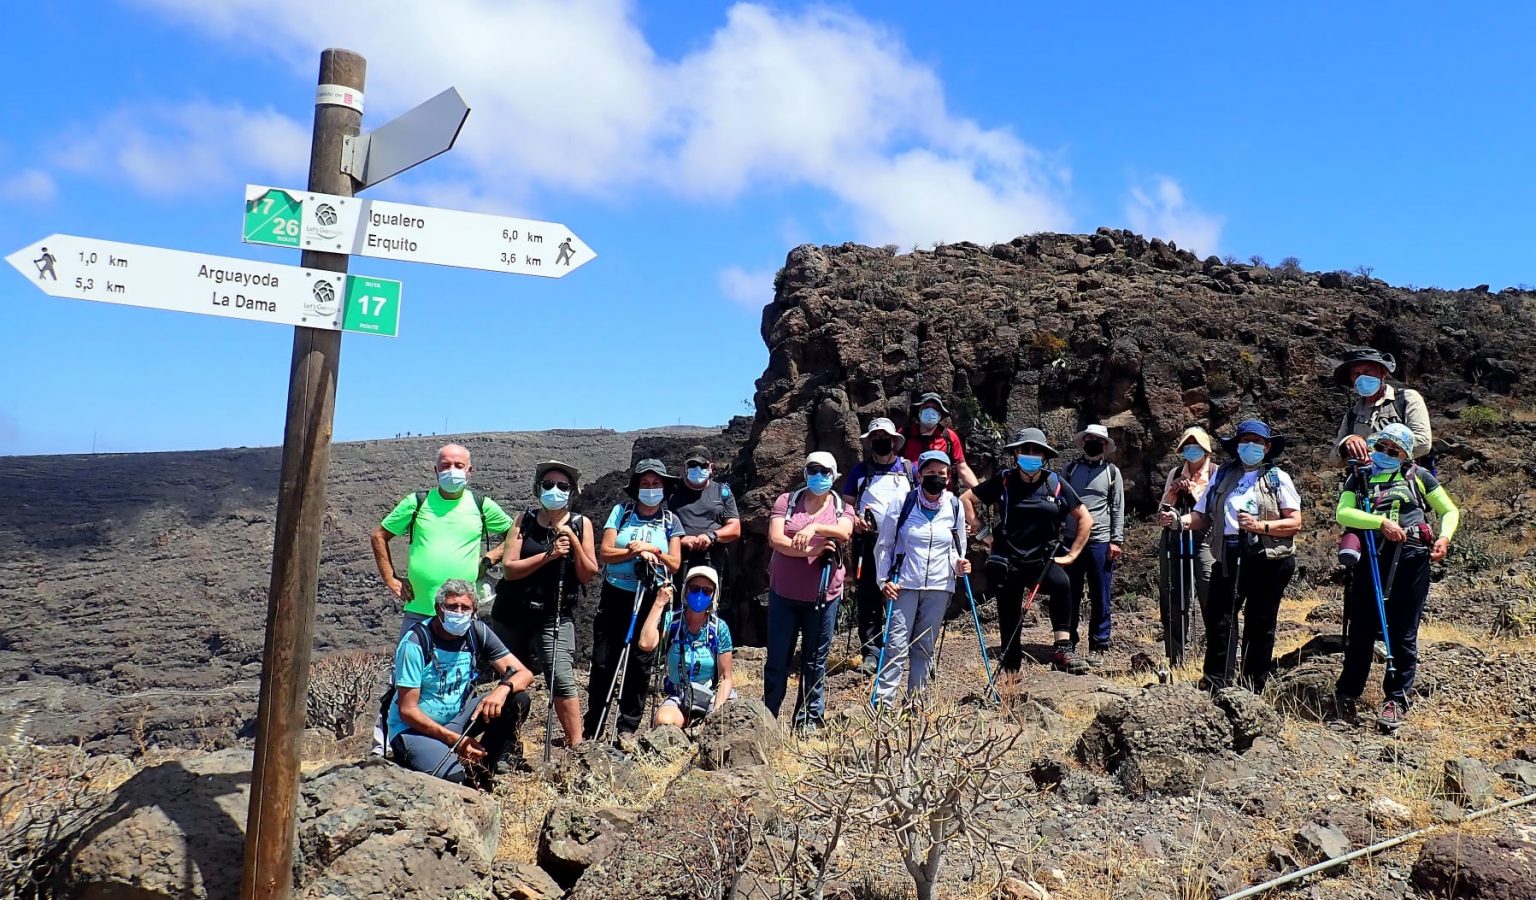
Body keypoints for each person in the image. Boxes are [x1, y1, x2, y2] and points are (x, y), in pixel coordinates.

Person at [1333, 424, 1459, 731]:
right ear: (1374, 446)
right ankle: (1347, 693)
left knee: (1403, 632)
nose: (1387, 455)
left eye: (1395, 451)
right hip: (1372, 557)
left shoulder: (1419, 476)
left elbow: (1449, 510)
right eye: (1383, 448)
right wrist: (1379, 523)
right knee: (1361, 629)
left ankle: (1396, 700)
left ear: (1405, 456)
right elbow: (1343, 513)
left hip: (1412, 557)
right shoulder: (1359, 477)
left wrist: (1444, 538)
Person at [1176, 419, 1303, 692]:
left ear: (1267, 447)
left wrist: (1261, 527)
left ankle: (1252, 686)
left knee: (1260, 621)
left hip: (1269, 558)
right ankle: (1215, 681)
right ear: (1237, 445)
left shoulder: (1277, 478)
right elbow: (1202, 515)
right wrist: (1179, 521)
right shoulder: (1223, 475)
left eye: (1257, 442)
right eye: (1245, 441)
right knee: (1220, 618)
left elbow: (1294, 523)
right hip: (1228, 553)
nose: (1250, 446)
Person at [961, 428, 1094, 674]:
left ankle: (1063, 648)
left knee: (1062, 585)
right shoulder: (1004, 480)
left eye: (1036, 451)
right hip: (1008, 559)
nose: (1030, 455)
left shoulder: (1054, 482)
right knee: (1009, 612)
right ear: (1016, 454)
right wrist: (984, 535)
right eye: (1025, 450)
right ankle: (1011, 671)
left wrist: (1073, 554)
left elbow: (1085, 518)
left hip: (1042, 559)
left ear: (1045, 456)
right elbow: (966, 499)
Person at [487, 461, 598, 750]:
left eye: (562, 486)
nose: (554, 490)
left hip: (555, 615)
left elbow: (588, 572)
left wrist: (571, 538)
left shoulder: (581, 524)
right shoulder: (522, 520)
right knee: (511, 680)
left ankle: (577, 747)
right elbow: (510, 568)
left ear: (572, 492)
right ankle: (504, 746)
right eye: (548, 484)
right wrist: (548, 556)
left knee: (561, 677)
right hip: (513, 614)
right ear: (539, 488)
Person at [386, 580, 535, 787]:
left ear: (474, 610)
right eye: (451, 606)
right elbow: (407, 711)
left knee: (516, 699)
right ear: (439, 609)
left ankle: (484, 769)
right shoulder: (416, 642)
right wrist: (455, 741)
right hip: (413, 729)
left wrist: (503, 688)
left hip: (456, 719)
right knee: (453, 779)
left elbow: (524, 673)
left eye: (464, 607)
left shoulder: (477, 632)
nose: (458, 612)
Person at [584, 459, 684, 739]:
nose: (650, 489)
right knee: (604, 661)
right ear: (636, 487)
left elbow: (675, 563)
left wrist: (653, 550)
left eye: (656, 484)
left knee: (641, 662)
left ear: (663, 487)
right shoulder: (621, 512)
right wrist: (635, 552)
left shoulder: (670, 521)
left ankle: (627, 727)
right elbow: (605, 553)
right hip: (616, 595)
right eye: (645, 484)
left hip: (652, 597)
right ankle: (594, 726)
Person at [372, 443, 512, 637]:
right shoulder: (417, 502)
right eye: (446, 466)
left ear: (469, 471)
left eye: (458, 465)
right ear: (436, 470)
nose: (452, 470)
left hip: (461, 612)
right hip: (419, 610)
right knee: (412, 664)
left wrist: (489, 559)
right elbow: (379, 535)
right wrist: (390, 578)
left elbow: (516, 534)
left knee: (459, 666)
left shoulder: (482, 506)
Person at [765, 451, 856, 731]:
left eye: (825, 471)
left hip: (823, 596)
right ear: (805, 473)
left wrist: (815, 526)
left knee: (815, 660)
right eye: (813, 470)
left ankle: (809, 719)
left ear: (834, 474)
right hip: (783, 594)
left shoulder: (841, 507)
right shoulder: (787, 501)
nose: (819, 476)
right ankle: (768, 717)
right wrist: (813, 547)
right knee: (777, 659)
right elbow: (775, 539)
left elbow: (844, 532)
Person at [872, 450, 970, 702]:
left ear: (948, 477)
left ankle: (915, 702)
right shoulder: (903, 502)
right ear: (920, 474)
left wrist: (959, 564)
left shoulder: (955, 505)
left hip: (940, 585)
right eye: (930, 472)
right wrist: (884, 580)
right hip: (903, 583)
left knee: (925, 644)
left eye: (941, 474)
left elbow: (957, 545)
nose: (936, 477)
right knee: (895, 643)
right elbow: (885, 545)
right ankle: (883, 703)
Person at [841, 417, 916, 675]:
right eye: (875, 438)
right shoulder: (860, 471)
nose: (880, 442)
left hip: (904, 543)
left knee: (904, 595)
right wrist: (856, 519)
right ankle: (872, 653)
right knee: (869, 597)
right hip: (868, 542)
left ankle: (904, 651)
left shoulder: (909, 469)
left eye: (884, 438)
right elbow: (847, 502)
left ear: (894, 441)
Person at [638, 565, 735, 727]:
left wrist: (715, 714)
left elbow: (726, 677)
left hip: (710, 695)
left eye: (707, 591)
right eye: (694, 588)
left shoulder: (719, 629)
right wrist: (658, 604)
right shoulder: (672, 621)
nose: (700, 595)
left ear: (714, 595)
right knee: (664, 722)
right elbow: (645, 643)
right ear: (686, 590)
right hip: (679, 696)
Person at [1061, 424, 1125, 666]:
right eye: (1089, 439)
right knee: (1069, 593)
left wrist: (1116, 539)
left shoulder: (1112, 472)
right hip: (1071, 539)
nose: (1093, 443)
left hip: (1100, 540)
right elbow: (1060, 502)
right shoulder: (1070, 469)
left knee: (1101, 594)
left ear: (1105, 446)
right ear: (1083, 441)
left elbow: (1118, 506)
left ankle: (1099, 644)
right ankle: (1069, 642)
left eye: (1098, 440)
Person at [1156, 426, 1218, 626]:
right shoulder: (1175, 473)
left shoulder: (1216, 472)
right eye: (1187, 445)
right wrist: (1172, 497)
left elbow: (1214, 510)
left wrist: (1193, 492)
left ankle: (1217, 646)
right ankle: (1176, 652)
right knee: (1173, 592)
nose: (1192, 449)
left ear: (1205, 448)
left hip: (1205, 539)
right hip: (1175, 538)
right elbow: (1162, 508)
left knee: (1210, 590)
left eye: (1196, 445)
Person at [1329, 348, 1433, 467]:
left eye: (1367, 371)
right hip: (1364, 483)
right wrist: (1346, 444)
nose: (1361, 378)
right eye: (1356, 373)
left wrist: (1374, 452)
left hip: (1402, 480)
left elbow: (1423, 442)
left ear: (1383, 373)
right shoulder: (1352, 413)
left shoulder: (1406, 399)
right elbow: (1333, 458)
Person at [669, 445, 741, 590]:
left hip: (712, 561)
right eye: (693, 464)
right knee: (676, 604)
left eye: (703, 465)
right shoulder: (671, 491)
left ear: (710, 467)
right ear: (685, 467)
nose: (697, 469)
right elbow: (658, 523)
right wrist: (680, 539)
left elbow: (735, 528)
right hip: (678, 560)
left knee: (706, 605)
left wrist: (711, 536)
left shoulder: (723, 491)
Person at [900, 392, 979, 490]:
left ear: (940, 414)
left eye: (935, 408)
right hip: (909, 491)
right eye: (926, 407)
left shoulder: (949, 437)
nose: (930, 411)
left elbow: (962, 468)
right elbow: (890, 460)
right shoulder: (905, 434)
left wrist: (980, 492)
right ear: (919, 411)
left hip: (941, 494)